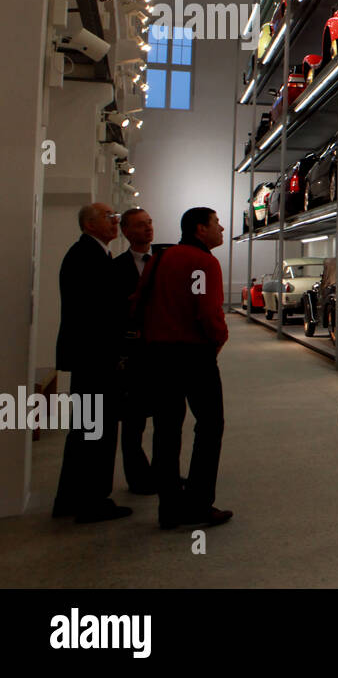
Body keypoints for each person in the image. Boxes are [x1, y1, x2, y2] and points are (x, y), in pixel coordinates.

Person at [136, 207, 232, 529]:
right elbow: (206, 311)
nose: (221, 229)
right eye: (216, 223)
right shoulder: (204, 263)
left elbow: (139, 302)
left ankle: (169, 508)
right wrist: (219, 338)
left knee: (165, 429)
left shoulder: (159, 259)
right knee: (209, 426)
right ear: (199, 229)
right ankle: (199, 504)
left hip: (159, 356)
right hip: (194, 356)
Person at [52, 204, 131, 523]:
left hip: (90, 357)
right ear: (88, 224)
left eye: (115, 217)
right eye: (107, 218)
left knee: (86, 428)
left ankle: (70, 499)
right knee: (97, 430)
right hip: (96, 358)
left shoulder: (91, 253)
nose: (115, 222)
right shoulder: (87, 256)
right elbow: (98, 313)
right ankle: (92, 501)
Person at [113, 208, 155, 494]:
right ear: (126, 232)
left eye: (149, 224)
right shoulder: (116, 268)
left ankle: (161, 473)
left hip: (158, 349)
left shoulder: (161, 263)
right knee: (133, 419)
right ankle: (138, 477)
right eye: (141, 225)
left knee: (164, 415)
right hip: (132, 351)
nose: (148, 229)